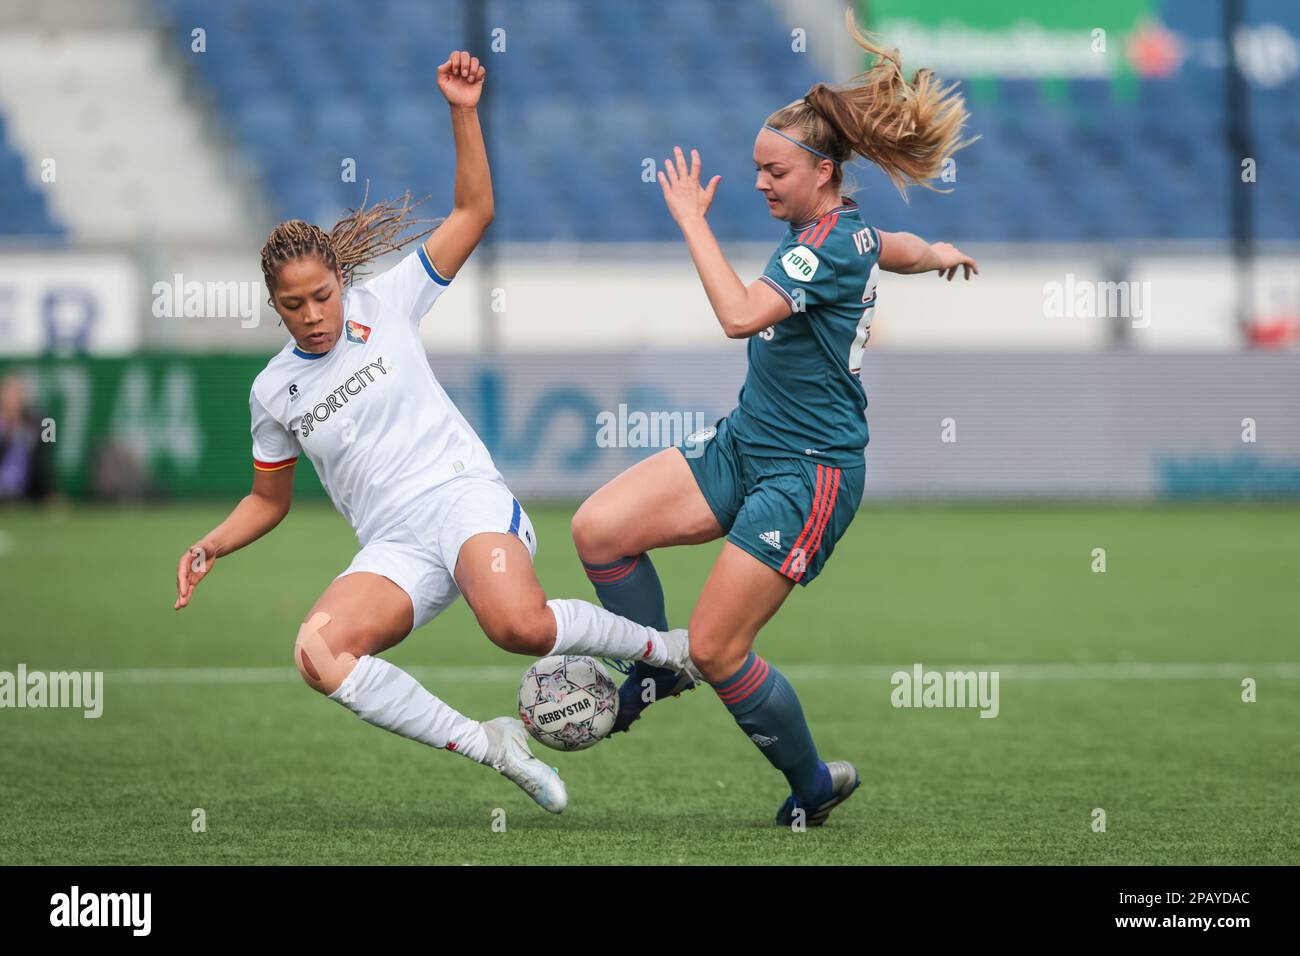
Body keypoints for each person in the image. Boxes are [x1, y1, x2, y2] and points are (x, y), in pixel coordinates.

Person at [173, 50, 695, 815]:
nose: (313, 314)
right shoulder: (271, 390)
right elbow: (269, 501)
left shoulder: (387, 304)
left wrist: (461, 110)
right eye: (295, 305)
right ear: (275, 305)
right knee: (319, 653)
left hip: (462, 498)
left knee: (515, 626)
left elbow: (474, 214)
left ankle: (667, 650)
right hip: (393, 544)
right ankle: (492, 744)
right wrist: (212, 542)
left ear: (340, 282)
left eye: (322, 295)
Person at [571, 15, 979, 826]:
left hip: (808, 474)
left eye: (775, 171)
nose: (761, 182)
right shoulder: (843, 229)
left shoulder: (815, 248)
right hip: (745, 443)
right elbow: (885, 240)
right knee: (598, 530)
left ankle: (811, 785)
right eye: (756, 168)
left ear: (822, 172)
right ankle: (654, 667)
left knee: (719, 648)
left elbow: (737, 317)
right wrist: (935, 252)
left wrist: (691, 219)